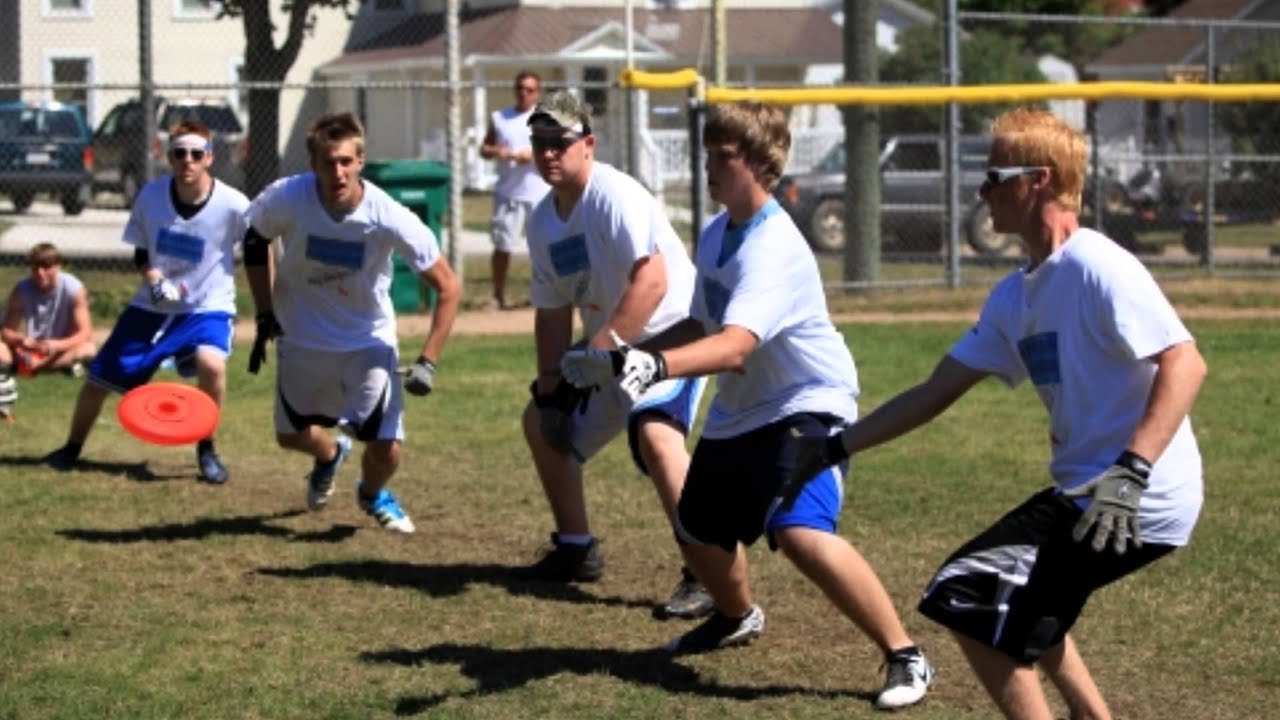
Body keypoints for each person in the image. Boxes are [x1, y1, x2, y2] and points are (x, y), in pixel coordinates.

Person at [785, 107, 1207, 720]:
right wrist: (833, 448)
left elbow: (1185, 363)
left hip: (1136, 494)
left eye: (993, 177)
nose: (982, 192)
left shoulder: (1097, 266)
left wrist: (1131, 470)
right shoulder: (1016, 294)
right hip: (1089, 490)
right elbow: (935, 392)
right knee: (1023, 602)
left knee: (967, 593)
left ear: (1038, 180)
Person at [558, 101, 934, 710]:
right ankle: (737, 616)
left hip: (807, 401)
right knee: (696, 527)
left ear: (761, 164)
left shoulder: (773, 246)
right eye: (707, 153)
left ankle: (905, 654)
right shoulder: (717, 233)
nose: (709, 166)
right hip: (744, 407)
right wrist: (620, 354)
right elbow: (702, 324)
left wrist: (649, 366)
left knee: (801, 532)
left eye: (723, 157)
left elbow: (733, 348)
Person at [512, 89, 714, 621]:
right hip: (613, 349)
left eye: (560, 141)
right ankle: (576, 549)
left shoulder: (613, 195)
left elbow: (652, 281)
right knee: (541, 421)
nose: (549, 152)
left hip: (676, 336)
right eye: (539, 143)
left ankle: (707, 572)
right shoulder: (542, 222)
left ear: (588, 144)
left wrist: (598, 354)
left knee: (657, 435)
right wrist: (553, 385)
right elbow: (553, 311)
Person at [243, 111, 461, 534]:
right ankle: (327, 457)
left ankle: (373, 493)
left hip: (367, 341)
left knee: (387, 446)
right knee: (290, 437)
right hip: (301, 336)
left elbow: (448, 286)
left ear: (361, 161)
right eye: (328, 162)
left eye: (346, 161)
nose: (338, 172)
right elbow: (255, 238)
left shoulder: (388, 215)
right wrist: (266, 311)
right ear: (313, 164)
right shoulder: (288, 197)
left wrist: (428, 360)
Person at [45, 122, 247, 482]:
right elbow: (141, 251)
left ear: (210, 158)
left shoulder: (233, 205)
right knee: (98, 380)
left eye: (196, 154)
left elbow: (261, 247)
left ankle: (207, 448)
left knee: (212, 366)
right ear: (169, 156)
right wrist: (154, 280)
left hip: (206, 306)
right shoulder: (151, 196)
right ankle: (71, 447)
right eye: (180, 153)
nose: (188, 161)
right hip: (152, 308)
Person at [479, 70, 549, 310]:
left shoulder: (545, 119)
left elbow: (558, 149)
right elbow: (485, 148)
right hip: (508, 193)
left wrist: (533, 155)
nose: (524, 93)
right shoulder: (501, 118)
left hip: (539, 193)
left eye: (529, 89)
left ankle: (543, 296)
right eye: (520, 88)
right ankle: (498, 296)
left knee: (542, 248)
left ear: (537, 93)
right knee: (502, 247)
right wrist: (501, 152)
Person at [0, 243, 96, 407]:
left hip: (60, 348)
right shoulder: (22, 289)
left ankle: (33, 367)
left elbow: (85, 333)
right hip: (29, 347)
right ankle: (57, 367)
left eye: (46, 267)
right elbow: (7, 332)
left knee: (88, 349)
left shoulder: (73, 288)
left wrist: (56, 345)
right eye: (35, 268)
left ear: (59, 266)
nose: (40, 273)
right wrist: (21, 340)